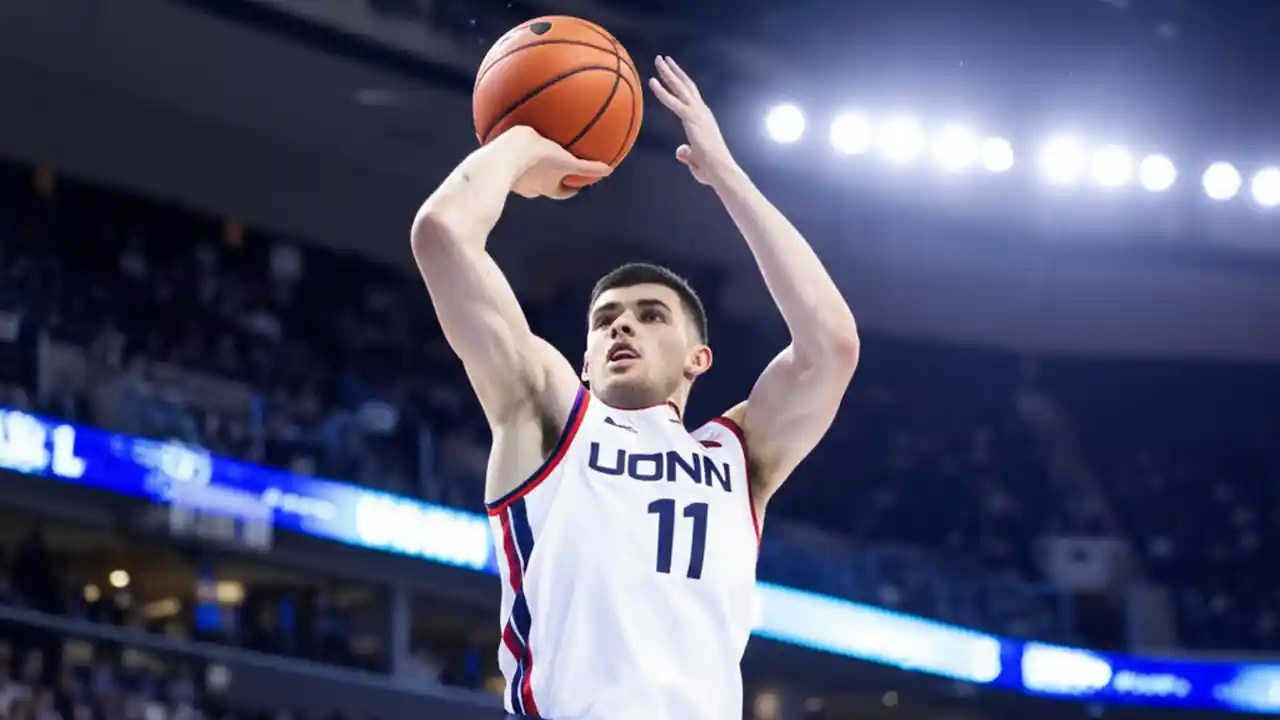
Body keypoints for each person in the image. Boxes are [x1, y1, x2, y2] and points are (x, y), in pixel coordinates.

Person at [411, 55, 859, 720]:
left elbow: (832, 346)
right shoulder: (550, 415)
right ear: (585, 360)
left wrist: (727, 177)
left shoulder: (737, 456)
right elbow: (442, 235)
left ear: (697, 358)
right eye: (604, 320)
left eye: (651, 316)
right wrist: (517, 144)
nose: (623, 324)